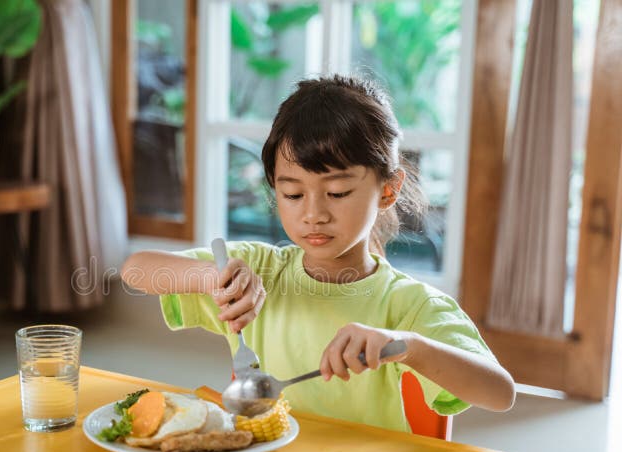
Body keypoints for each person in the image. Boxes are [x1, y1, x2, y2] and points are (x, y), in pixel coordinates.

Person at [121, 75, 515, 432]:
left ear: (388, 190)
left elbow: (500, 393)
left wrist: (408, 346)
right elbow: (135, 269)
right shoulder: (261, 272)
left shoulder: (408, 305)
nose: (313, 214)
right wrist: (211, 277)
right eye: (292, 194)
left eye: (338, 193)